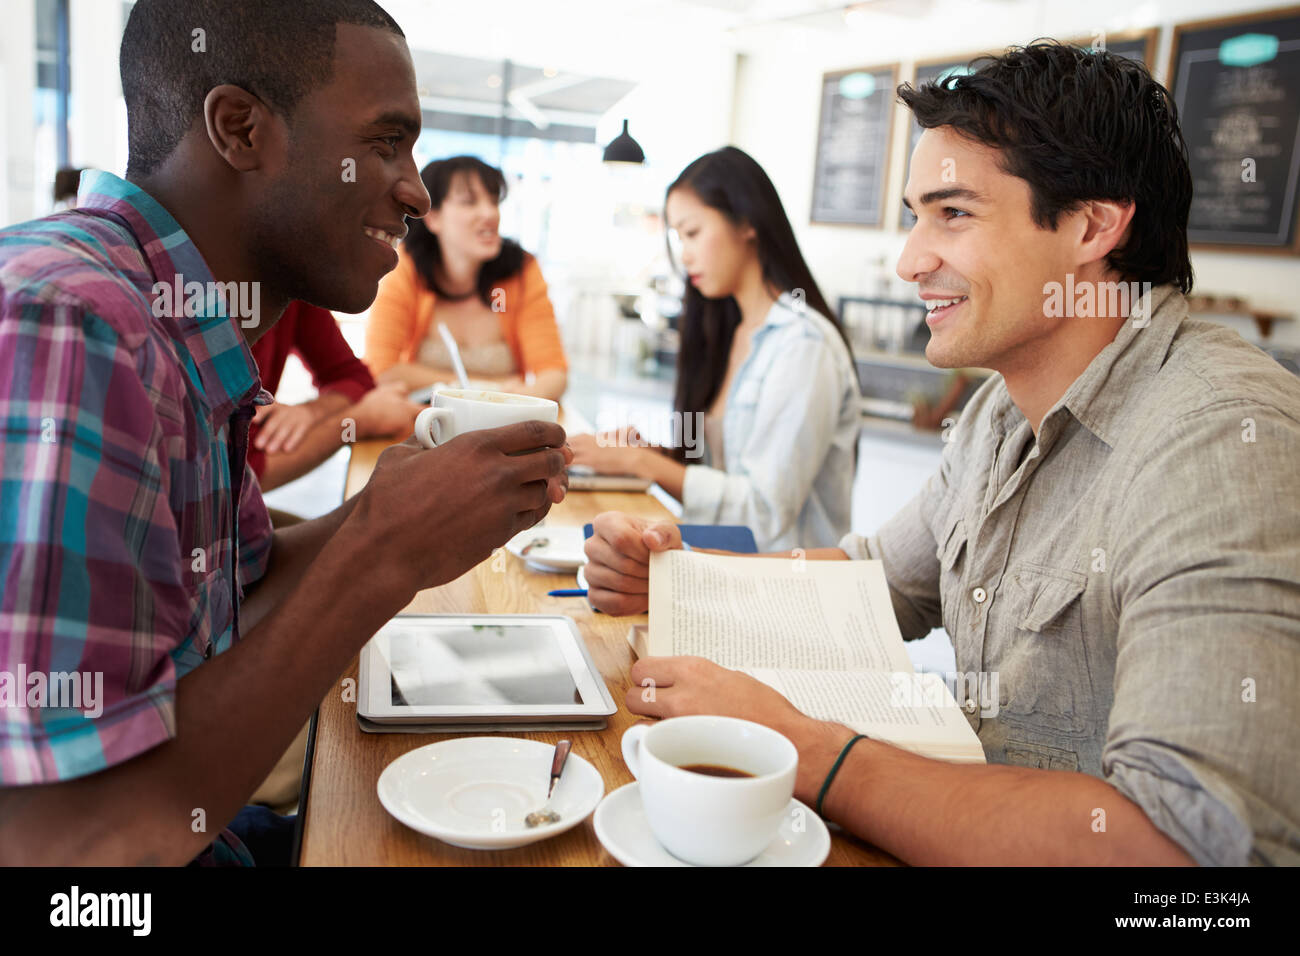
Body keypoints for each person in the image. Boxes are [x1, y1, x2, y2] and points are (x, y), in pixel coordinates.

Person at [582, 43, 1300, 865]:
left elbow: (1190, 853)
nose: (909, 260)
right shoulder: (1001, 409)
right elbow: (874, 580)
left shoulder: (1225, 439)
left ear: (1092, 225)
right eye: (916, 215)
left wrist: (805, 748)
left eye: (952, 214)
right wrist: (680, 581)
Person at [0, 0, 570, 866]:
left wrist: (397, 508)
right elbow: (74, 844)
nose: (416, 191)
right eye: (386, 143)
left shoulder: (176, 317)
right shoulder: (76, 324)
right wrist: (384, 552)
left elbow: (239, 591)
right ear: (239, 129)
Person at [569, 147, 861, 551]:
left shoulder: (803, 345)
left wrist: (643, 464)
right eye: (678, 238)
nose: (684, 254)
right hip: (722, 573)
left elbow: (765, 513)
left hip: (787, 594)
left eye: (692, 233)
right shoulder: (730, 332)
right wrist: (650, 453)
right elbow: (725, 478)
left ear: (746, 223)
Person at [364, 155, 568, 401]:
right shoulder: (406, 269)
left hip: (503, 421)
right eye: (469, 202)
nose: (490, 213)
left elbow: (553, 372)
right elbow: (381, 369)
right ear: (434, 218)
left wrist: (528, 398)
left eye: (493, 201)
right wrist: (480, 387)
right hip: (427, 421)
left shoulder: (522, 270)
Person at [248, 300, 423, 491]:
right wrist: (357, 423)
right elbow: (244, 472)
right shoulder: (221, 305)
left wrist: (312, 412)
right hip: (225, 513)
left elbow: (354, 377)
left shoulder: (294, 286)